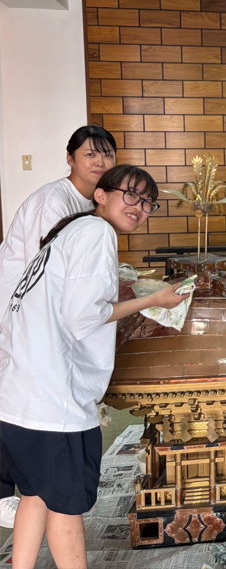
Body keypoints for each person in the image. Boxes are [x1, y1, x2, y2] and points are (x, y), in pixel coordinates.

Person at [0, 165, 189, 568]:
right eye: (131, 195)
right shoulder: (96, 233)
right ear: (100, 195)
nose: (140, 208)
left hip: (16, 397)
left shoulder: (67, 232)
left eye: (148, 202)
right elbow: (84, 317)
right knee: (66, 506)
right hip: (54, 404)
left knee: (35, 493)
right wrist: (153, 301)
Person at [0, 125, 117, 528]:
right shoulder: (58, 202)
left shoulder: (85, 205)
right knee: (28, 406)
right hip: (16, 309)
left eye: (107, 155)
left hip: (34, 316)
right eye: (90, 155)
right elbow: (51, 277)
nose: (100, 162)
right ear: (70, 159)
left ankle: (23, 490)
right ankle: (4, 490)